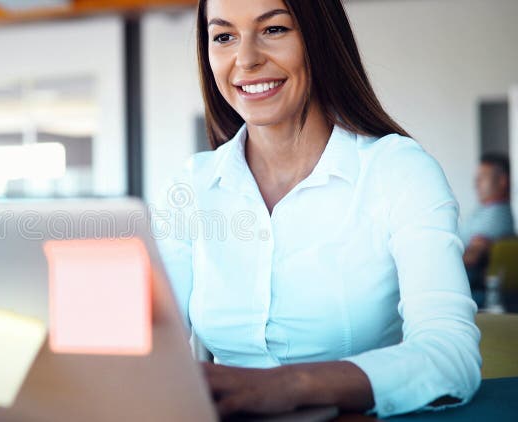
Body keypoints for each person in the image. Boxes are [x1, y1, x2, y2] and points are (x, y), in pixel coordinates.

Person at [151, 0, 480, 418]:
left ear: (320, 41)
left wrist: (287, 386)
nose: (246, 59)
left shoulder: (398, 170)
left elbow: (451, 356)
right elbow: (151, 348)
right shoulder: (189, 187)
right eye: (224, 36)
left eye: (274, 30)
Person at [462, 153, 515, 289]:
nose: (476, 184)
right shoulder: (485, 209)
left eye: (483, 178)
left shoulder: (498, 215)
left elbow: (472, 257)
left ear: (502, 181)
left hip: (472, 285)